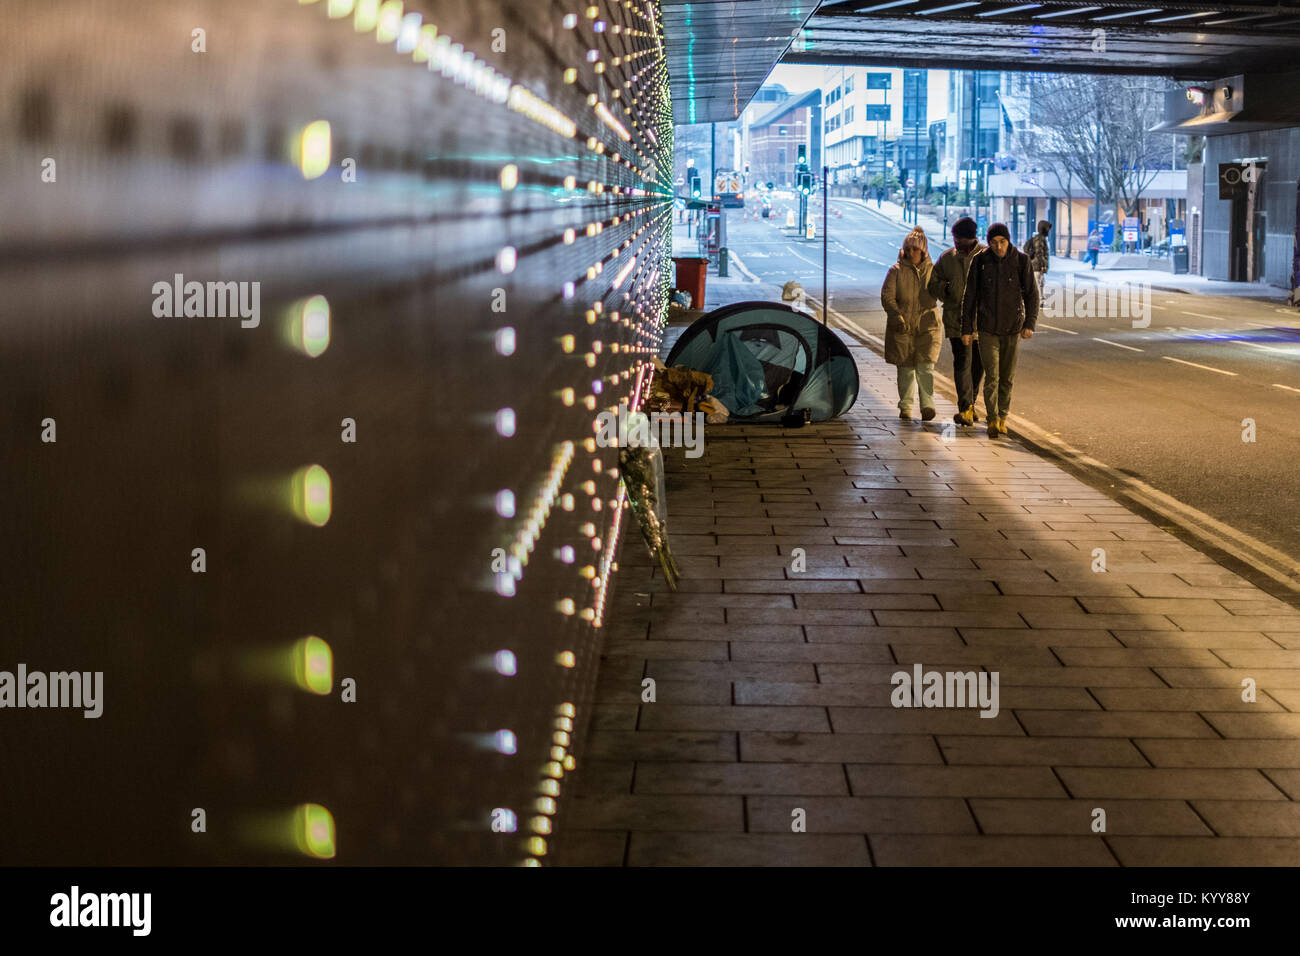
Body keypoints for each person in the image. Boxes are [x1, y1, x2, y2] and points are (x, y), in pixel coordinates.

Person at [960, 223, 1039, 438]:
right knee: (992, 376)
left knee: (1007, 377)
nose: (998, 247)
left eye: (1002, 242)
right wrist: (966, 328)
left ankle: (1003, 416)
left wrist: (1029, 324)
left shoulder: (1021, 261)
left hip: (1013, 328)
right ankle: (992, 418)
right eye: (993, 242)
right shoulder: (981, 261)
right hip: (987, 329)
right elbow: (970, 297)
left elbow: (1032, 294)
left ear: (1008, 240)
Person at [927, 217, 985, 427]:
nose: (955, 242)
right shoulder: (947, 258)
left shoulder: (984, 255)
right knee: (962, 363)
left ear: (969, 238)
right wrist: (947, 290)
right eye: (954, 237)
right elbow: (933, 283)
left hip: (981, 321)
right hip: (956, 319)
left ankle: (971, 403)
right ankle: (965, 407)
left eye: (958, 238)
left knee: (979, 366)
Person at [882, 227, 942, 422]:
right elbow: (887, 296)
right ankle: (906, 407)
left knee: (926, 367)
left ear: (923, 250)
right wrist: (896, 315)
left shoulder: (933, 271)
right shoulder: (896, 271)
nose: (911, 253)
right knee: (906, 368)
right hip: (903, 325)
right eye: (908, 249)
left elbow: (942, 292)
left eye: (915, 249)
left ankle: (927, 405)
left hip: (928, 325)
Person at [1024, 219, 1052, 299]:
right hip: (1037, 265)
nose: (1049, 230)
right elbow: (1039, 253)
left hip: (1037, 264)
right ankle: (1038, 299)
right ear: (1043, 228)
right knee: (1038, 282)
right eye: (1048, 228)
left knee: (1040, 282)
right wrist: (1043, 265)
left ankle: (1040, 298)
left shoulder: (1040, 238)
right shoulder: (1040, 239)